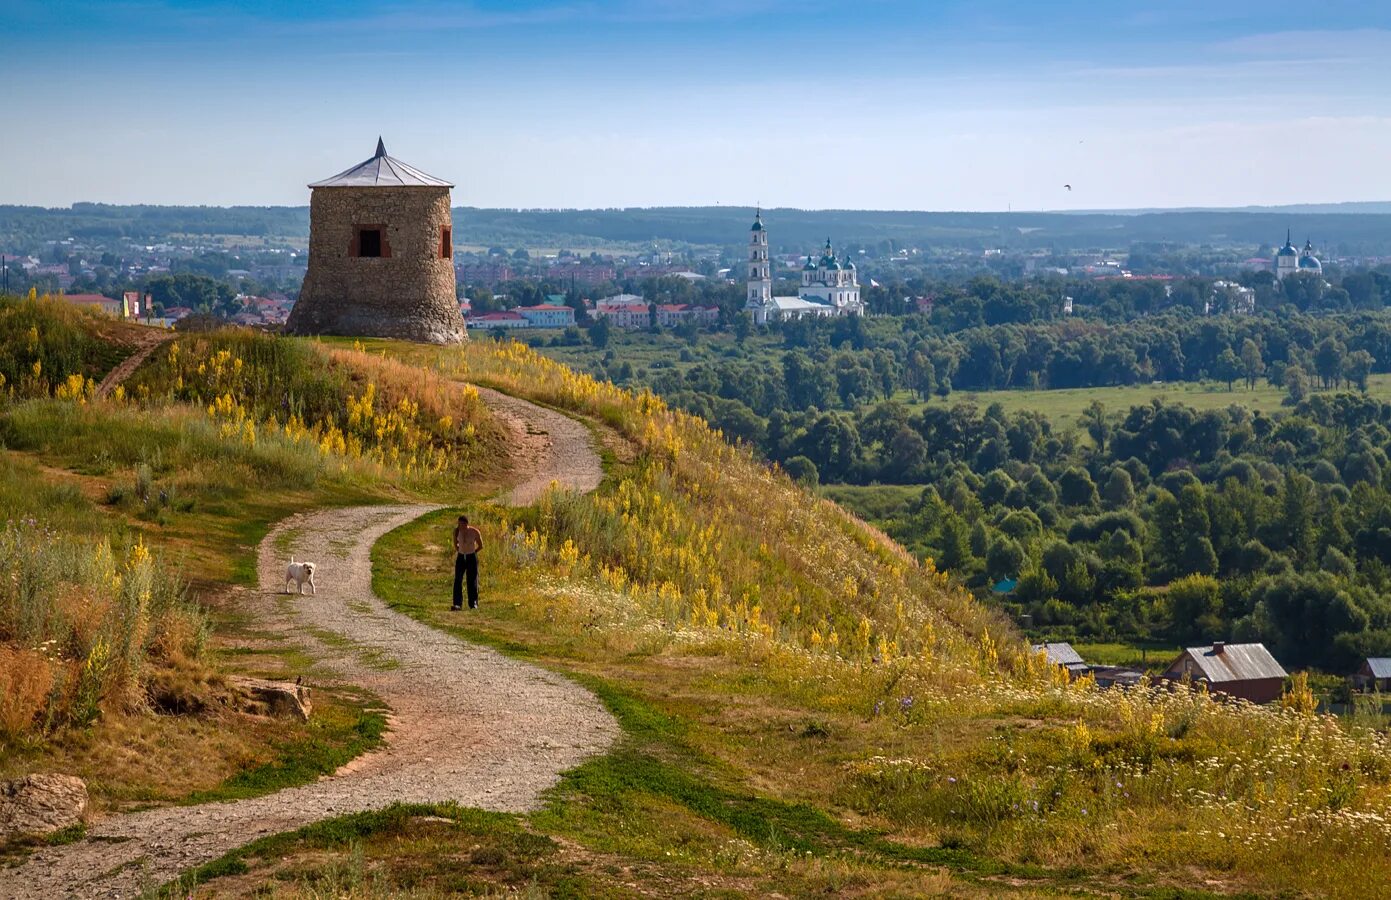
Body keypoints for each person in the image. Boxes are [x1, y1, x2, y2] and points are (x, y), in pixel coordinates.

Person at [452, 515, 483, 610]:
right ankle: (457, 603)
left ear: (466, 524)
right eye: (459, 524)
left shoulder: (474, 532)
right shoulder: (457, 532)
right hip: (461, 556)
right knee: (458, 579)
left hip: (471, 556)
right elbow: (455, 544)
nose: (459, 526)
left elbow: (481, 545)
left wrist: (473, 552)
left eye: (461, 524)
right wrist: (460, 550)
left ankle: (473, 603)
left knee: (472, 580)